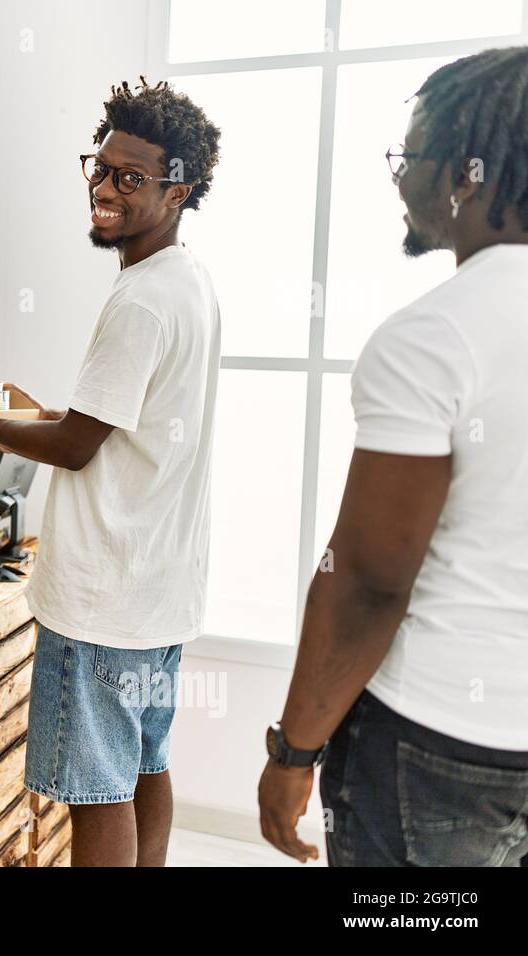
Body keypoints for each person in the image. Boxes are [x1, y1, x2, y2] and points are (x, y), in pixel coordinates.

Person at [0, 79, 221, 867]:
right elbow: (113, 425)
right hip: (157, 596)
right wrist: (36, 416)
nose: (104, 188)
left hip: (104, 602)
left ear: (177, 189)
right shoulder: (185, 281)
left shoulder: (141, 302)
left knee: (97, 795)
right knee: (143, 766)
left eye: (131, 178)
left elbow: (78, 445)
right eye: (100, 168)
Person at [259, 47, 528, 867]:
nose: (399, 178)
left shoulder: (435, 335)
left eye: (409, 156)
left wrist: (294, 751)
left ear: (469, 174)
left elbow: (370, 581)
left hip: (434, 745)